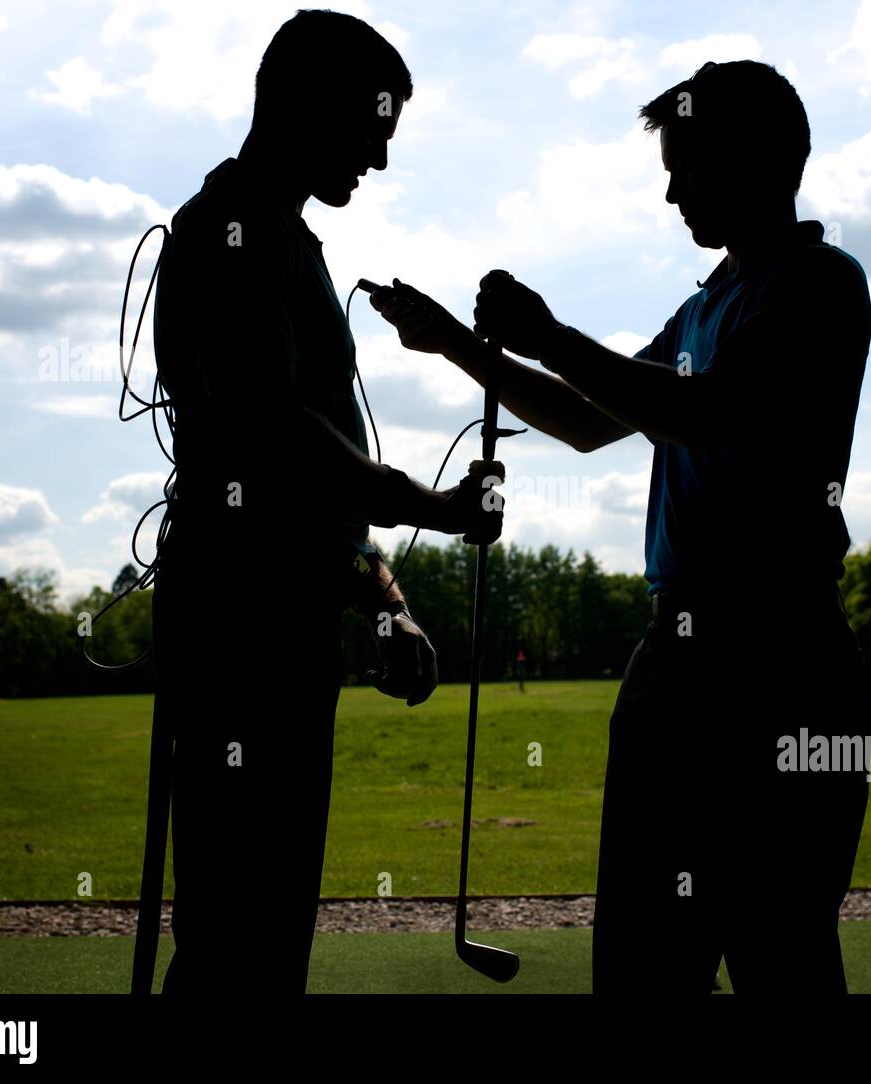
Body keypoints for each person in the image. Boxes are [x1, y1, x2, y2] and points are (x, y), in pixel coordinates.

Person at [371, 60, 871, 994]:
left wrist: (551, 334)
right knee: (644, 953)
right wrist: (459, 345)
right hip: (674, 661)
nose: (674, 189)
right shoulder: (699, 306)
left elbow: (708, 412)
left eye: (689, 165)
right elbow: (590, 420)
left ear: (762, 159)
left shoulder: (819, 283)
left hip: (784, 660)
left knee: (782, 947)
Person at [150, 10, 503, 994]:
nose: (380, 159)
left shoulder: (288, 241)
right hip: (236, 633)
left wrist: (385, 598)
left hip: (283, 629)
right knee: (234, 937)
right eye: (373, 128)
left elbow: (311, 501)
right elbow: (278, 439)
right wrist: (436, 508)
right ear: (310, 105)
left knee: (271, 935)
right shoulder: (227, 231)